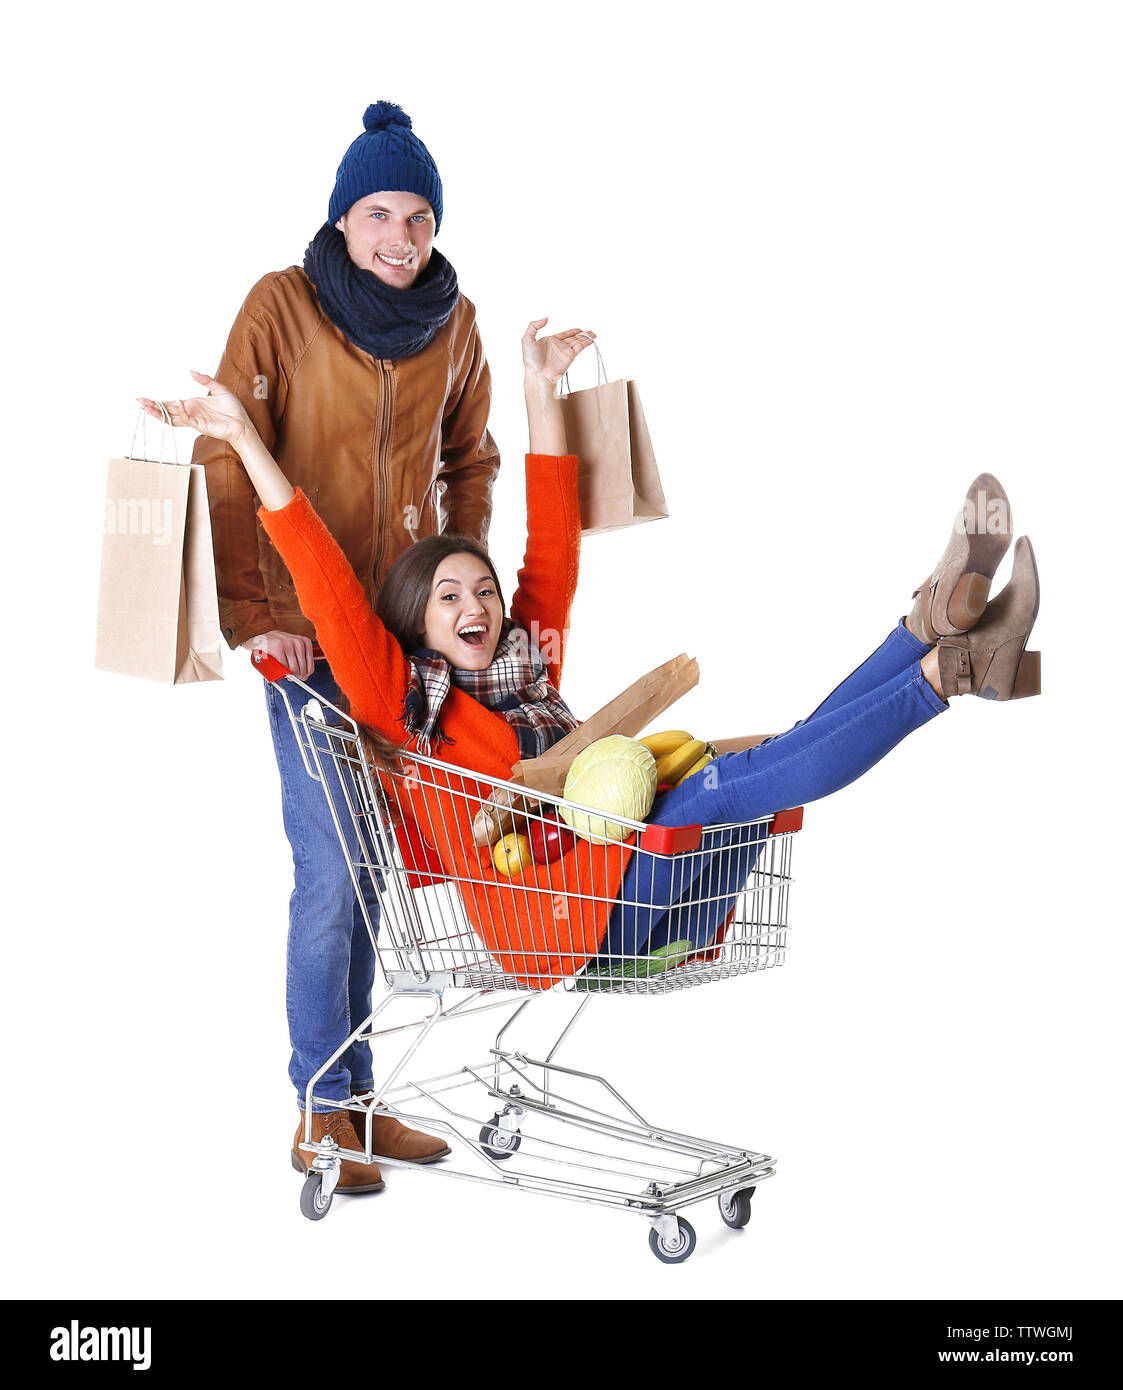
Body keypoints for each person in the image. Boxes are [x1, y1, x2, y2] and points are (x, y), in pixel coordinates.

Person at [144, 320, 1040, 1182]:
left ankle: (929, 629)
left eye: (484, 591)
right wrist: (241, 437)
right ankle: (942, 669)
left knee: (769, 757)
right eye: (449, 594)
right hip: (551, 922)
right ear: (415, 621)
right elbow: (323, 575)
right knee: (734, 784)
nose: (476, 606)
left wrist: (540, 389)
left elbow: (550, 541)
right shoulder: (400, 700)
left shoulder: (527, 665)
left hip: (618, 887)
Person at [191, 101, 500, 1189]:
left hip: (399, 643)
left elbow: (473, 458)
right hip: (299, 631)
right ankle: (320, 1108)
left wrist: (460, 593)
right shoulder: (279, 307)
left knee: (375, 870)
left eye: (419, 217)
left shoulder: (452, 325)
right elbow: (229, 457)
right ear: (344, 218)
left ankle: (359, 1105)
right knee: (329, 866)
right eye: (379, 214)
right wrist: (251, 611)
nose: (400, 238)